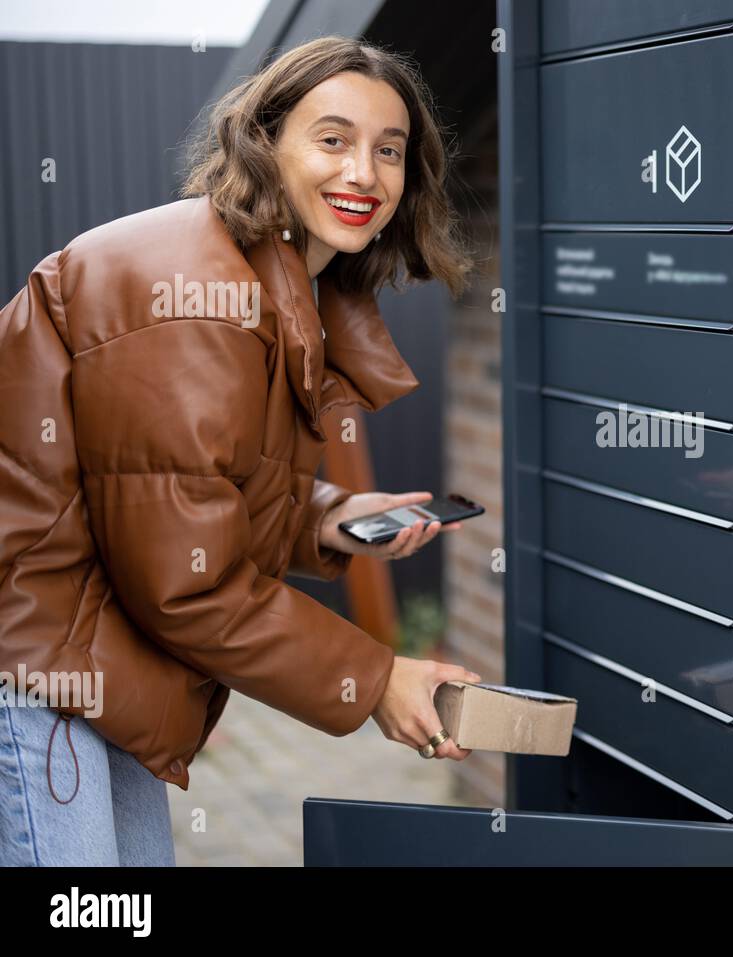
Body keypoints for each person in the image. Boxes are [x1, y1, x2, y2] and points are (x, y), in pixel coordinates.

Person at [0, 36, 483, 866]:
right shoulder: (194, 298)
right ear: (264, 142)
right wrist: (376, 679)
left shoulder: (273, 282)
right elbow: (185, 581)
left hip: (95, 661)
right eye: (332, 139)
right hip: (33, 669)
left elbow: (172, 495)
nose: (364, 173)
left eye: (389, 150)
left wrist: (326, 518)